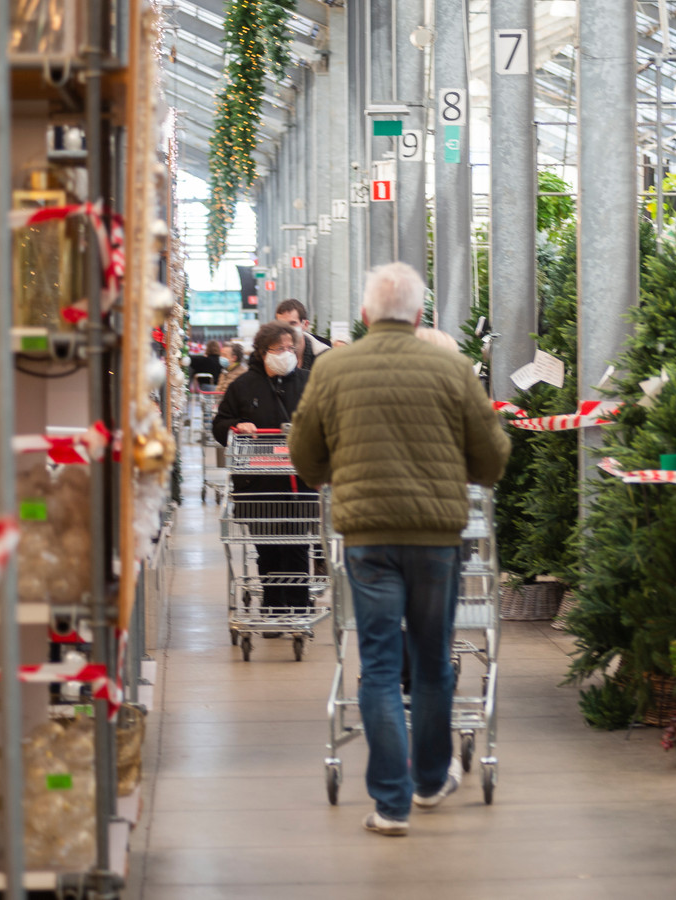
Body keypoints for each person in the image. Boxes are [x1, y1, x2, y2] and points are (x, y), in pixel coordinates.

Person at [288, 262, 510, 838]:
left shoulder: (333, 366)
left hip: (367, 538)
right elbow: (490, 458)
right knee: (434, 663)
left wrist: (333, 474)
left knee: (381, 668)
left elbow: (305, 453)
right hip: (438, 539)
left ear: (364, 315)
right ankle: (433, 781)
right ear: (418, 315)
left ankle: (392, 804)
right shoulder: (451, 366)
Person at [212, 322, 316, 620]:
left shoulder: (308, 382)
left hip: (301, 483)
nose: (286, 354)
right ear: (262, 352)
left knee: (297, 545)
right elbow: (220, 425)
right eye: (278, 349)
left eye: (290, 349)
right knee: (268, 546)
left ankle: (297, 607)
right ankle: (273, 607)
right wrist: (237, 426)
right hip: (258, 484)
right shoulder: (243, 387)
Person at [275, 298, 332, 370]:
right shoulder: (271, 357)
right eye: (282, 324)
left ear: (305, 324)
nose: (287, 329)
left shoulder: (324, 357)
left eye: (292, 323)